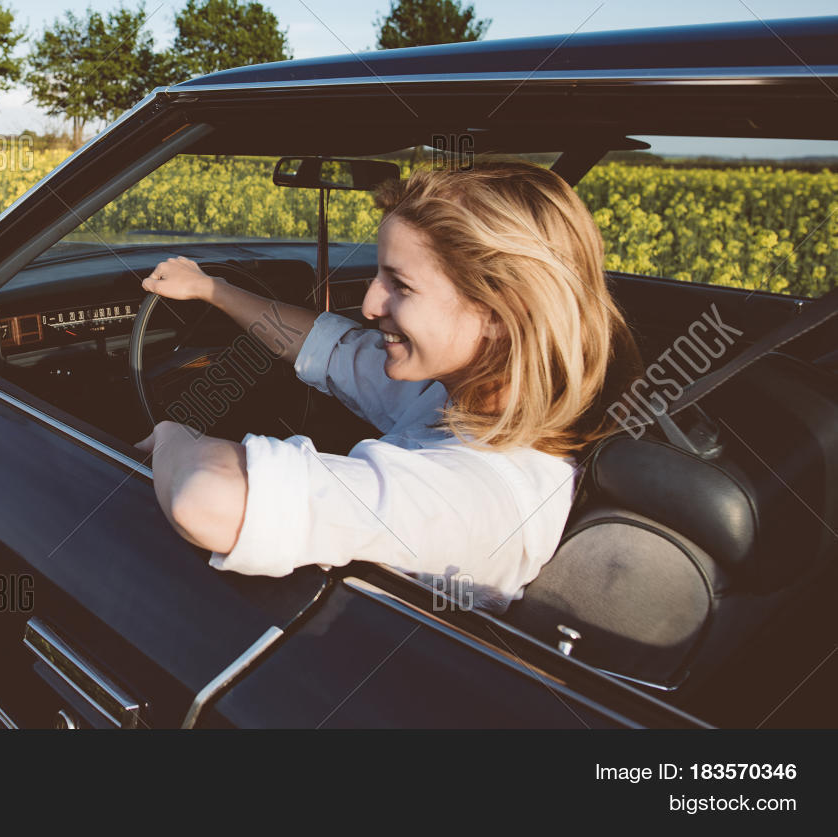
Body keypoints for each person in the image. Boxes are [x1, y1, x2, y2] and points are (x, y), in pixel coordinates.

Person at [132, 158, 644, 612]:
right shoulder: (465, 399)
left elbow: (208, 499)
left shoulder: (480, 495)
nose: (372, 305)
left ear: (499, 312)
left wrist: (174, 438)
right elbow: (328, 347)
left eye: (400, 285)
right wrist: (210, 289)